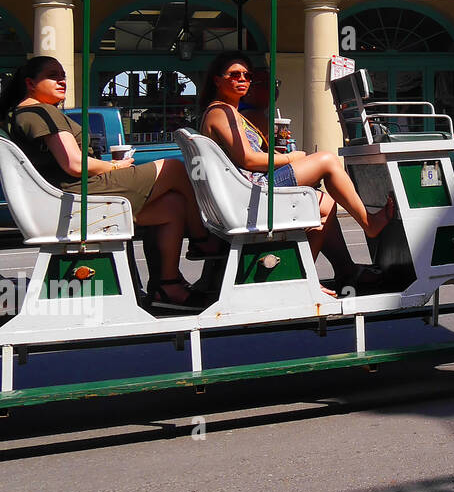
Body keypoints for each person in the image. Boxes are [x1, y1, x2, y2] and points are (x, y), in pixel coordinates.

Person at [1, 55, 225, 310]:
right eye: (52, 75)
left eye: (63, 75)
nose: (61, 80)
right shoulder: (39, 112)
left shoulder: (21, 113)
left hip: (67, 196)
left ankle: (167, 286)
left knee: (171, 207)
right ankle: (201, 239)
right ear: (30, 83)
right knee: (173, 168)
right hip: (77, 194)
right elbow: (75, 164)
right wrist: (115, 166)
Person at [198, 53, 394, 289]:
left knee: (326, 203)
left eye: (247, 75)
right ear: (217, 81)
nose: (242, 79)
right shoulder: (222, 112)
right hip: (252, 190)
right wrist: (293, 157)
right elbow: (248, 159)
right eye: (234, 75)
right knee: (326, 160)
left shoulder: (228, 111)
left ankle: (343, 271)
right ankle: (366, 227)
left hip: (247, 188)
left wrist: (282, 155)